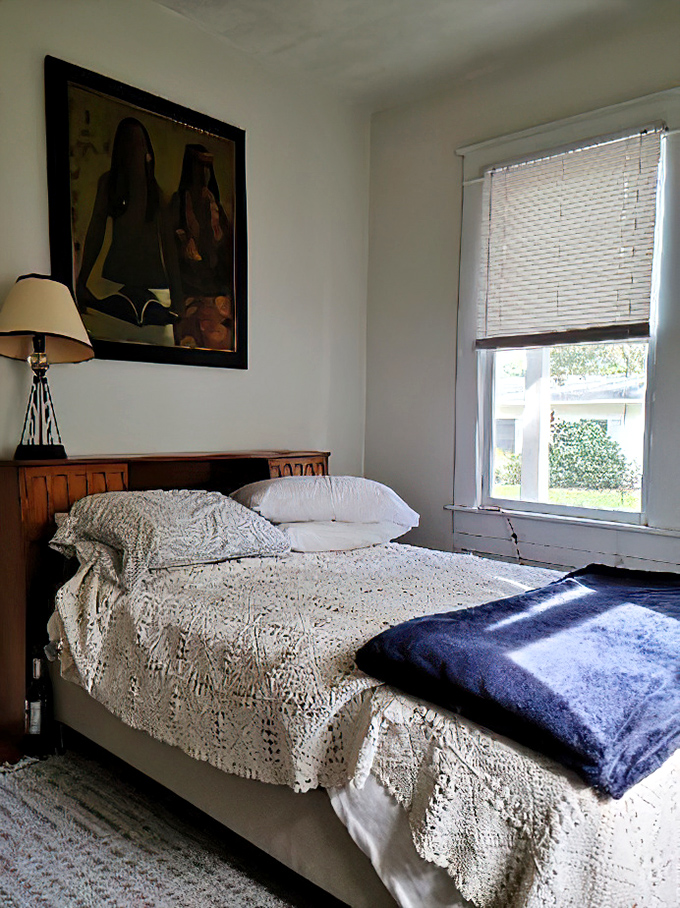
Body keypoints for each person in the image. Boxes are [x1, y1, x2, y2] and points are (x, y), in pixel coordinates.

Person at [76, 117, 181, 330]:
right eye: (130, 145)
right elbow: (96, 231)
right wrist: (81, 280)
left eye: (139, 144)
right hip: (117, 277)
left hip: (152, 280)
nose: (135, 151)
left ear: (147, 152)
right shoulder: (110, 184)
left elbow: (169, 248)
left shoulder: (156, 194)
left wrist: (178, 296)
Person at [172, 143, 235, 350]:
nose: (203, 175)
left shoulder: (214, 205)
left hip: (216, 294)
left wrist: (217, 236)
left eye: (207, 168)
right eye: (199, 168)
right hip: (191, 292)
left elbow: (227, 254)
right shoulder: (180, 203)